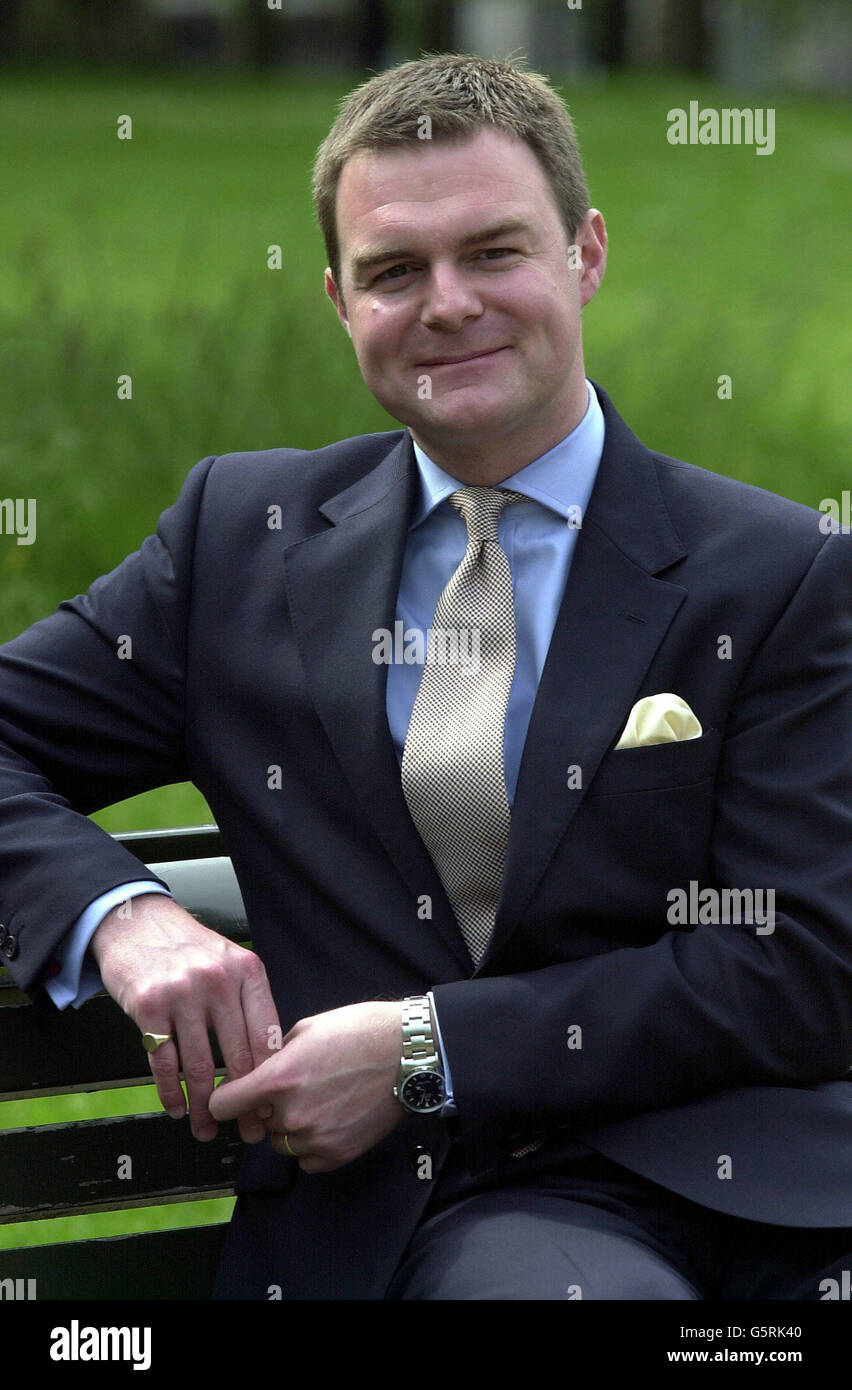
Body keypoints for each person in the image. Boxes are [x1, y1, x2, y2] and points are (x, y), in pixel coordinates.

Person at [2, 53, 852, 1301]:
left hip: (763, 1190)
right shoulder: (242, 538)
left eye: (494, 252)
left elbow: (806, 961)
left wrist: (423, 1047)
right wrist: (120, 916)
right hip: (432, 1215)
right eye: (397, 271)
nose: (446, 303)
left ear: (586, 254)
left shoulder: (778, 572)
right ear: (341, 300)